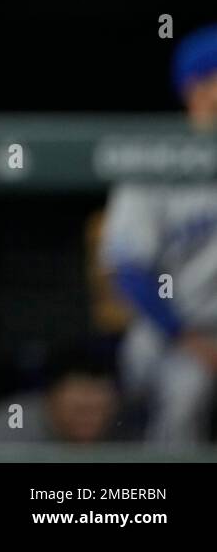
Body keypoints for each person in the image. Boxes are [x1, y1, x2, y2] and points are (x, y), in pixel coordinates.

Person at [99, 24, 217, 446]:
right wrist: (188, 339)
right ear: (193, 92)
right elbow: (128, 270)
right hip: (170, 333)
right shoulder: (153, 164)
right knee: (186, 394)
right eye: (209, 83)